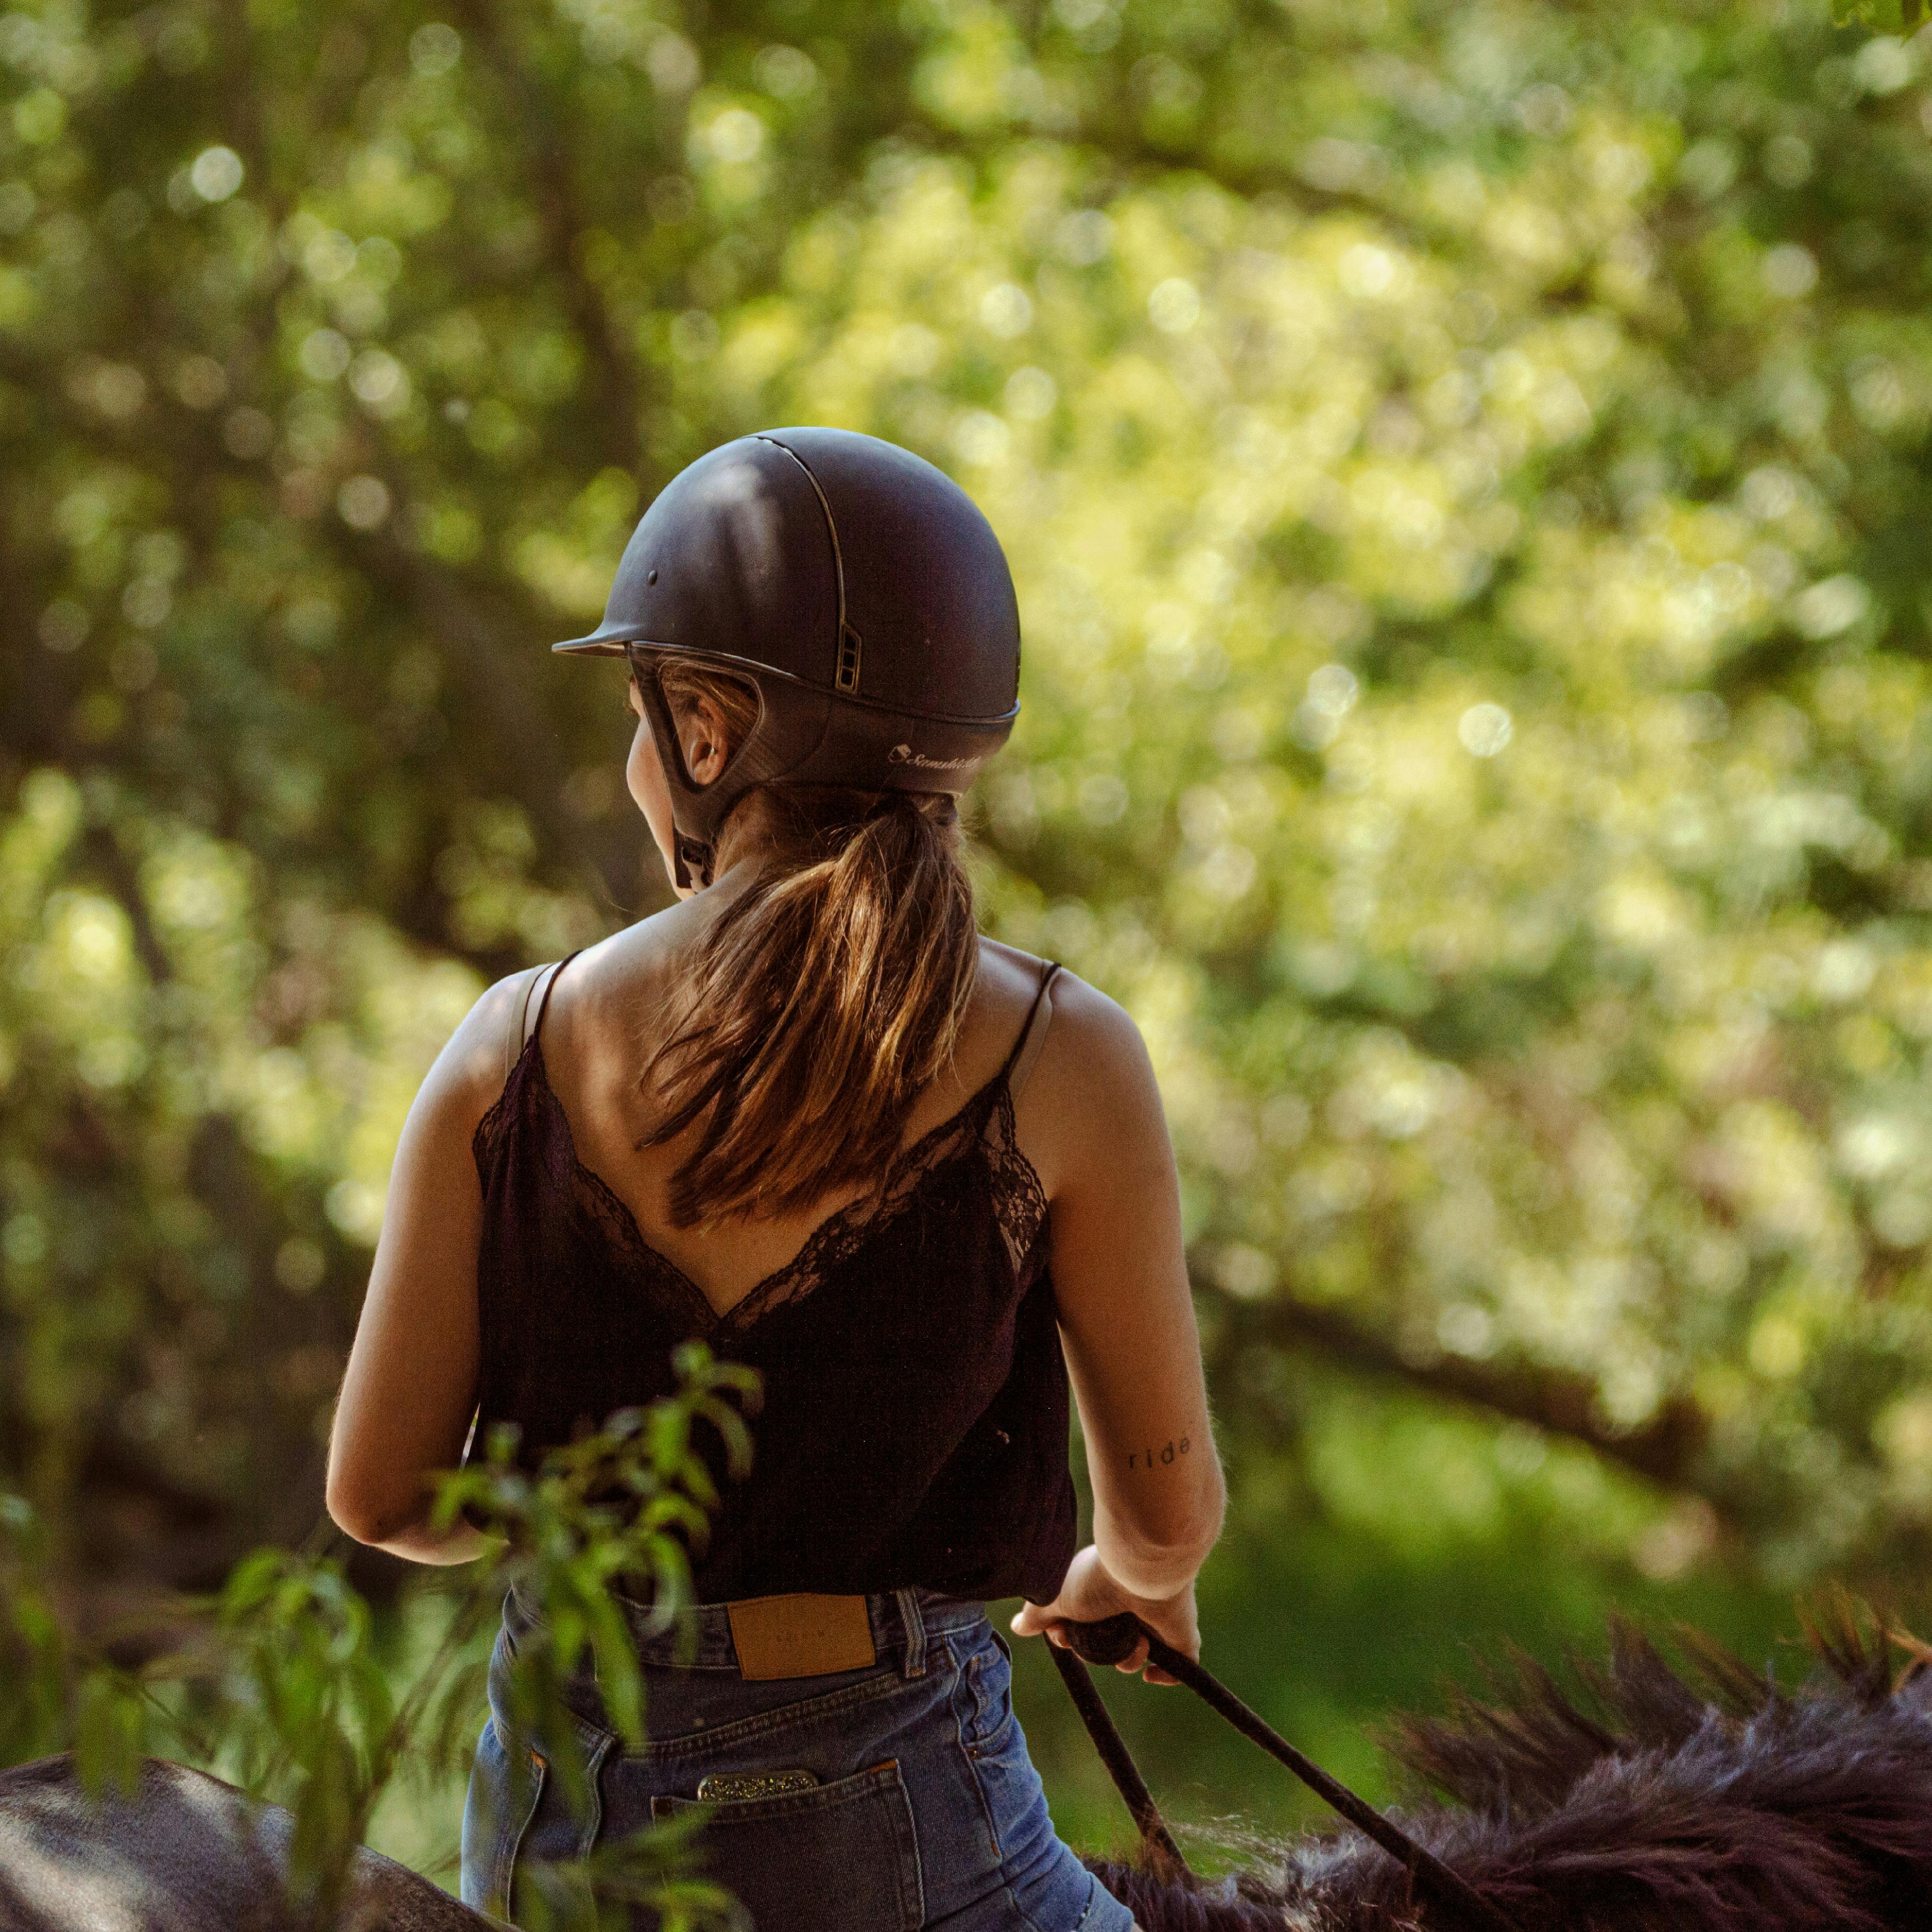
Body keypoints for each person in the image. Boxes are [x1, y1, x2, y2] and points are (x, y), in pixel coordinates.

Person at [325, 427, 1225, 1932]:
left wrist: (616, 1520)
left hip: (567, 1823)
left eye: (638, 713)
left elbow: (378, 1493)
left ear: (703, 724)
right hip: (911, 1815)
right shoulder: (1062, 1056)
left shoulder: (517, 1047)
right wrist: (1133, 1574)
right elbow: (1168, 1509)